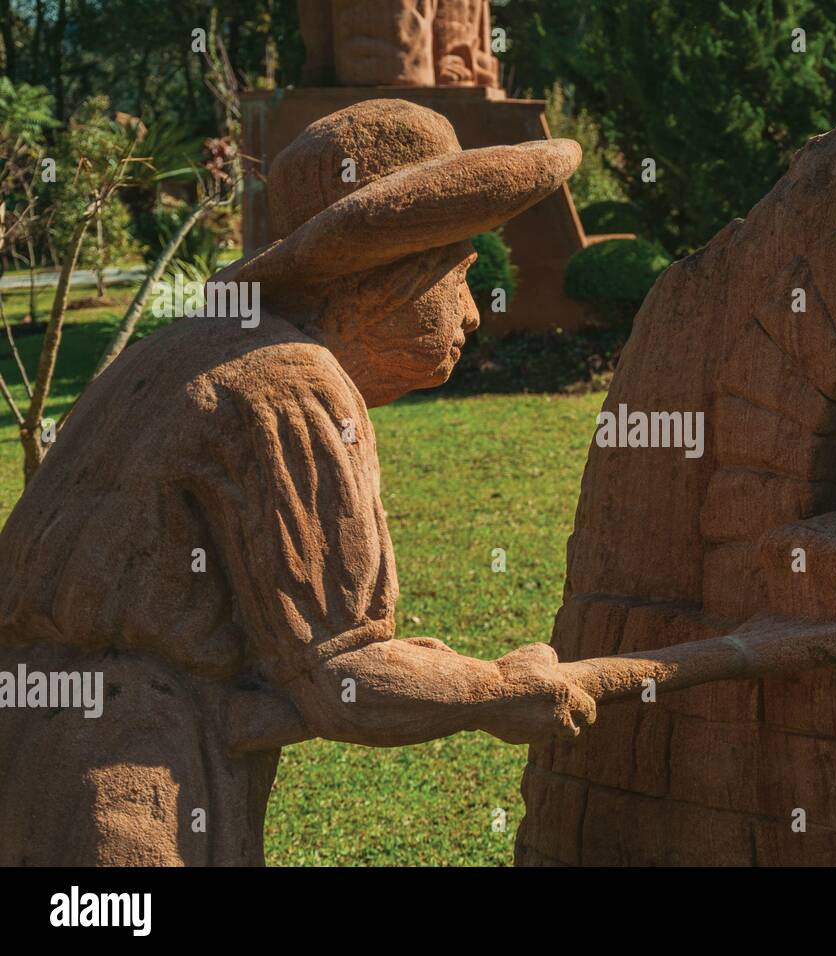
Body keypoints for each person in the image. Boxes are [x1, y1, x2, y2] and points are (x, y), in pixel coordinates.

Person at [0, 99, 594, 865]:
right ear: (385, 278)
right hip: (128, 783)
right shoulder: (291, 381)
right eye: (458, 277)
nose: (473, 316)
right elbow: (342, 682)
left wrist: (430, 672)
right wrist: (501, 691)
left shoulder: (183, 348)